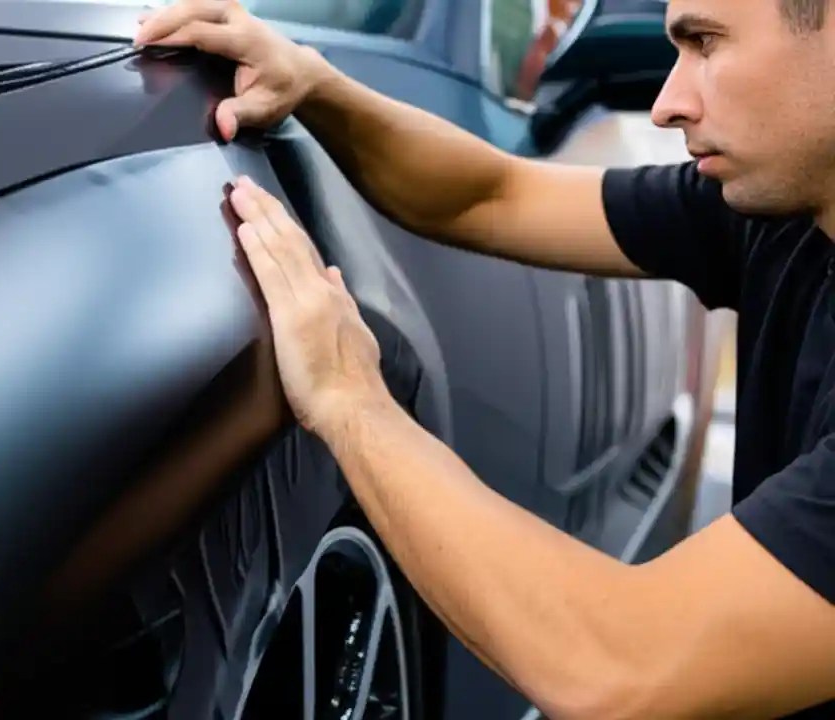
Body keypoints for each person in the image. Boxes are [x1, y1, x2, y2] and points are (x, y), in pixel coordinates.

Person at [134, 0, 835, 717]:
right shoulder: (779, 216)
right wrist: (315, 85)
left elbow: (627, 664)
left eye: (707, 45)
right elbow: (487, 196)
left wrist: (351, 400)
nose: (666, 104)